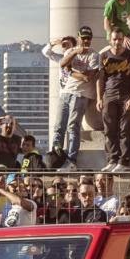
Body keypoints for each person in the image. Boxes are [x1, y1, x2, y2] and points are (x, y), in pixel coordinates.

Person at [43, 29, 98, 168]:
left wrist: (71, 71)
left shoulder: (94, 55)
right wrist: (73, 53)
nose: (86, 41)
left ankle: (72, 159)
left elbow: (87, 77)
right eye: (84, 38)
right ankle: (56, 155)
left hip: (81, 95)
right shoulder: (70, 52)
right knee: (58, 126)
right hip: (65, 93)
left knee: (73, 126)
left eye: (89, 38)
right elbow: (63, 65)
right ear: (79, 38)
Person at [94, 31, 130, 171]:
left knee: (125, 129)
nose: (117, 42)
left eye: (120, 39)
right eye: (115, 39)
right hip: (109, 95)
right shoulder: (104, 56)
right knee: (109, 129)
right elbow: (100, 79)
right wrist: (98, 98)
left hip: (126, 95)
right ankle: (112, 160)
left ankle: (124, 162)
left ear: (123, 40)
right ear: (110, 39)